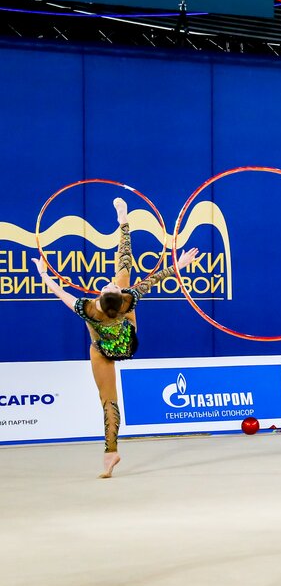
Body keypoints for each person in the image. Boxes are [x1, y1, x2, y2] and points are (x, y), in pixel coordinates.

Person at [35, 197, 199, 477]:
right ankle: (123, 222)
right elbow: (156, 279)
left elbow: (59, 292)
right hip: (128, 343)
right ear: (117, 298)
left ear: (101, 297)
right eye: (113, 287)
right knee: (124, 269)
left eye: (108, 287)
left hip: (103, 349)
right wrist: (180, 265)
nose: (110, 284)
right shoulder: (127, 299)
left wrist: (42, 273)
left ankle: (111, 451)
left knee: (108, 400)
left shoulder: (87, 308)